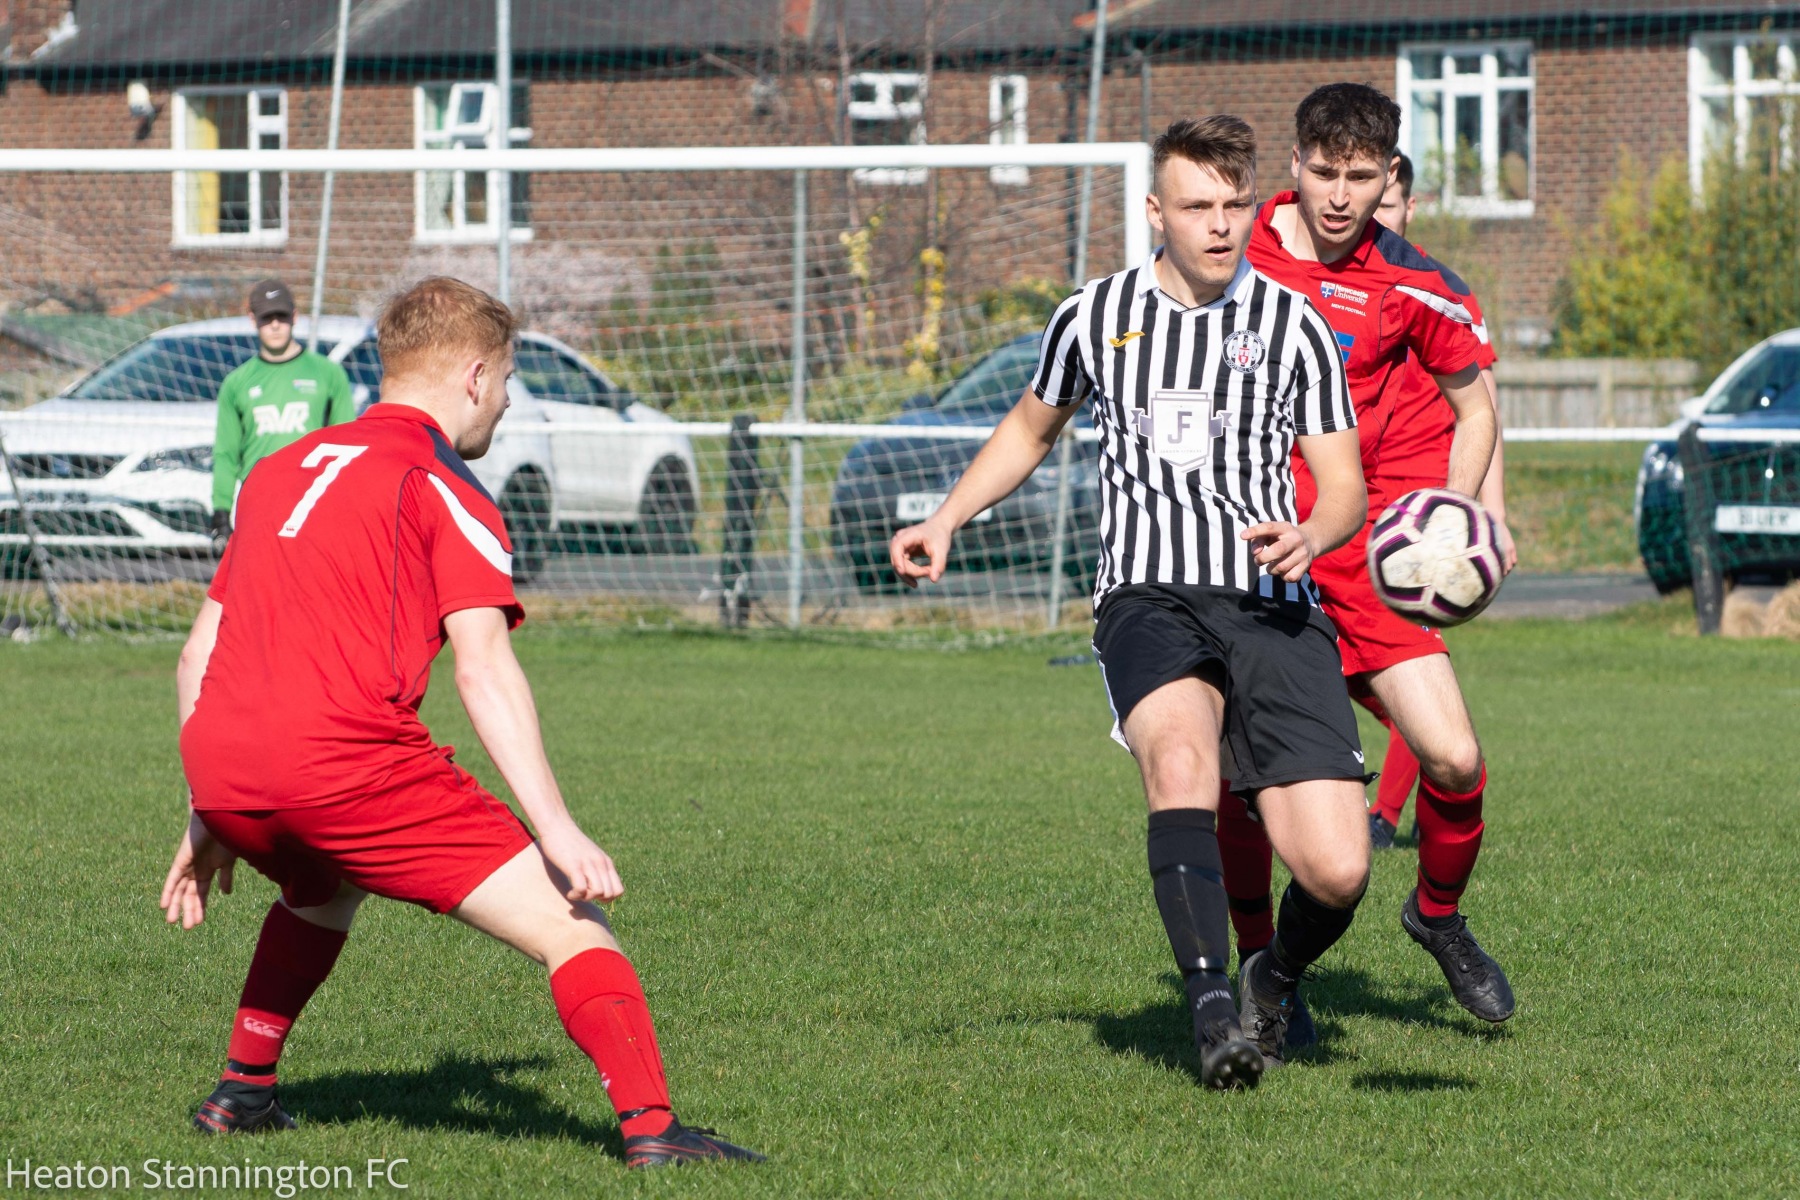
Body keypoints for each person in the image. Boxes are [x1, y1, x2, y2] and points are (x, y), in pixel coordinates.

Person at [162, 277, 762, 1169]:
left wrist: (208, 808)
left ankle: (243, 1091)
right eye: (511, 378)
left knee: (324, 885)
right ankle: (654, 1131)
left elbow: (193, 658)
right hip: (344, 767)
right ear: (476, 377)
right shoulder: (443, 483)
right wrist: (558, 829)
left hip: (224, 764)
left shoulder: (282, 468)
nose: (511, 399)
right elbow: (483, 668)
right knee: (571, 924)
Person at [889, 116, 1371, 1086]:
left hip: (1272, 599)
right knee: (1180, 760)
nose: (1222, 224)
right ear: (1156, 212)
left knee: (1336, 869)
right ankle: (1209, 1017)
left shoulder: (1295, 324)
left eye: (1236, 204)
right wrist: (946, 519)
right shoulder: (1093, 315)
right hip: (1147, 595)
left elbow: (1345, 482)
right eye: (1198, 205)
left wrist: (1313, 535)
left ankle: (1269, 980)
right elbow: (1029, 430)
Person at [1218, 83, 1514, 1029]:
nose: (1341, 197)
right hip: (1256, 557)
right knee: (1247, 783)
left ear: (1389, 176)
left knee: (1456, 758)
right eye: (1324, 173)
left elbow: (1476, 407)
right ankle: (1264, 972)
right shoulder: (1233, 252)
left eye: (1361, 177)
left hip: (1365, 557)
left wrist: (1454, 526)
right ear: (1294, 167)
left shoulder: (1416, 284)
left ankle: (1436, 915)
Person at [1364, 152, 1516, 847]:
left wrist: (1491, 515)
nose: (1373, 213)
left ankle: (1386, 817)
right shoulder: (1336, 279)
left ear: (1409, 209)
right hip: (1350, 497)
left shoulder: (1439, 289)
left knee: (1408, 646)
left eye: (1388, 202)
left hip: (1420, 506)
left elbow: (1484, 406)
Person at [210, 279, 354, 553]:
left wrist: (346, 504)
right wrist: (221, 510)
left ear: (295, 317)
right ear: (253, 320)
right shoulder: (237, 382)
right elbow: (226, 453)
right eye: (267, 318)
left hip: (313, 502)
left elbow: (347, 445)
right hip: (259, 505)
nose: (275, 325)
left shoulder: (327, 373)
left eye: (281, 316)